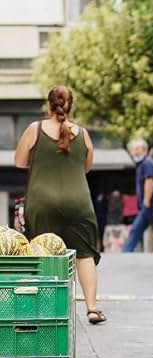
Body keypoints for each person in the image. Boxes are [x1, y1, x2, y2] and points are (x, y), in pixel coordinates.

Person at [13, 85, 106, 324]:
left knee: (42, 253)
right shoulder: (83, 133)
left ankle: (43, 310)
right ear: (71, 105)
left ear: (48, 104)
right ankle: (92, 308)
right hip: (79, 202)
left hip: (42, 201)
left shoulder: (35, 129)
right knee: (84, 255)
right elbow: (87, 167)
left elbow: (20, 162)